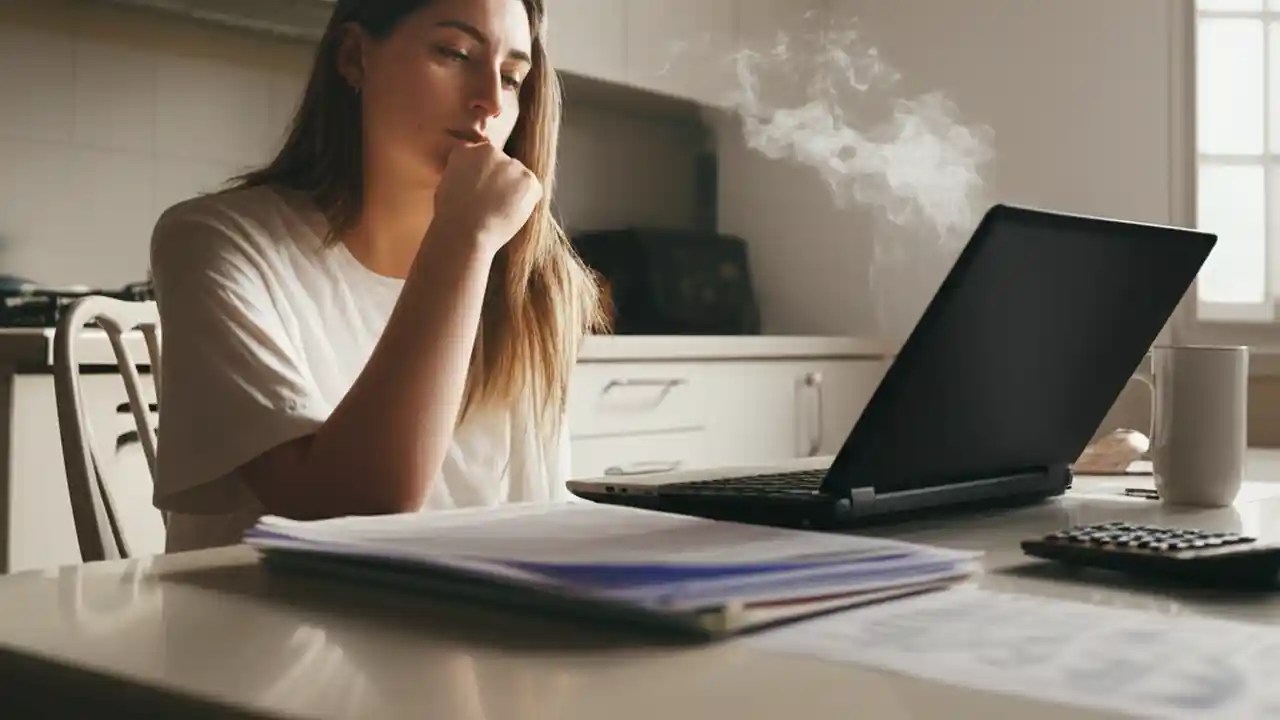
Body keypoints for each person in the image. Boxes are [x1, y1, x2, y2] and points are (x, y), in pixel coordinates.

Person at [149, 0, 602, 552]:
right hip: (276, 607)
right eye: (455, 53)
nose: (490, 99)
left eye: (511, 78)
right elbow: (352, 510)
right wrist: (464, 240)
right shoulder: (214, 240)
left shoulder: (536, 281)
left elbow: (539, 516)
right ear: (354, 57)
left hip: (471, 605)